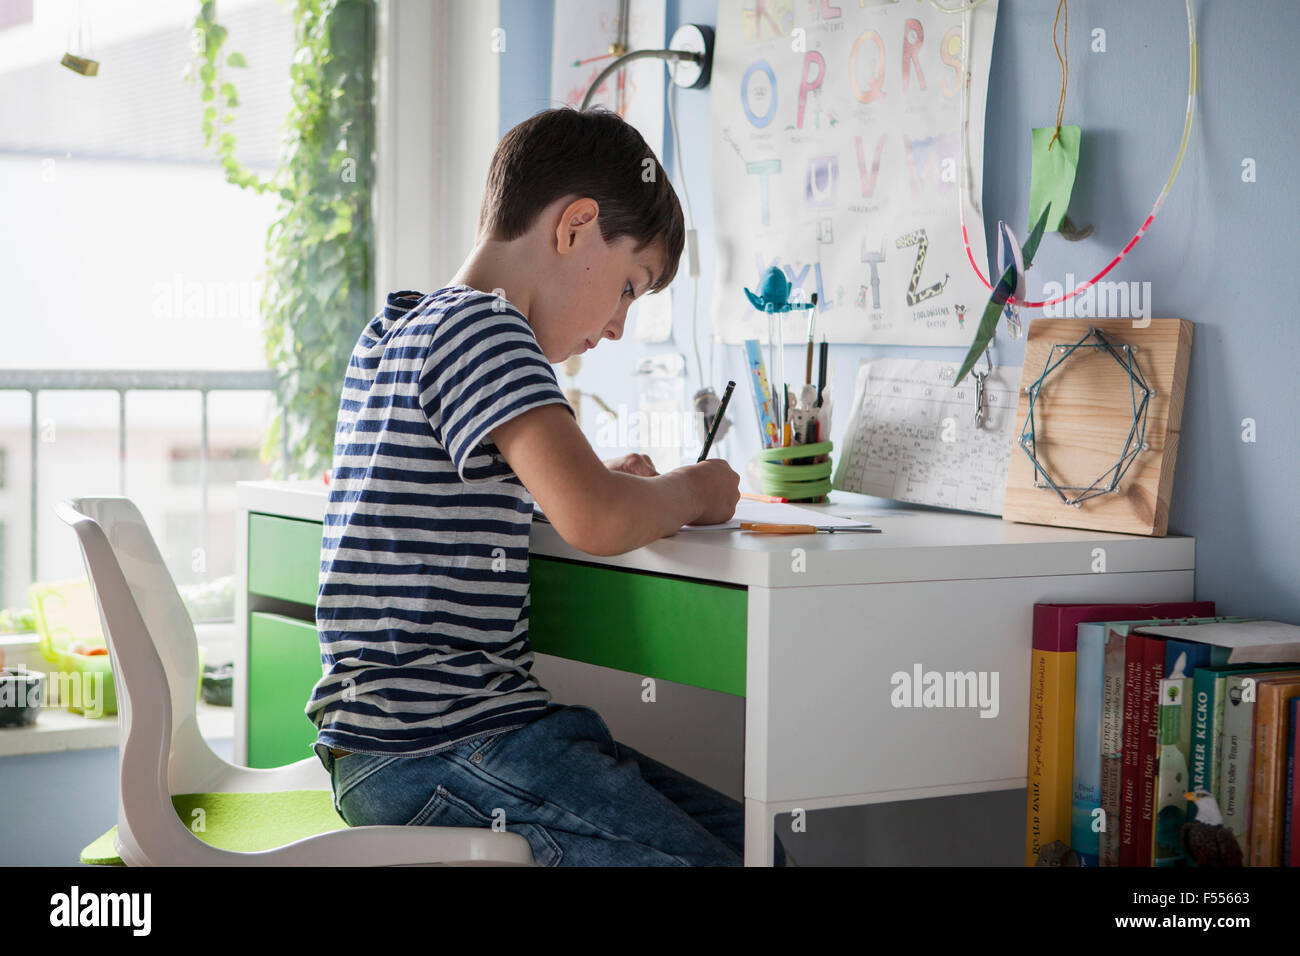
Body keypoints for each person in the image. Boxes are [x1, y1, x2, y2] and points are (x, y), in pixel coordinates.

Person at [305, 106, 784, 866]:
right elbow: (593, 520)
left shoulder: (399, 327)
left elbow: (452, 490)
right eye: (631, 285)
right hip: (443, 743)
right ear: (575, 227)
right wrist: (693, 490)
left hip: (392, 749)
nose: (620, 325)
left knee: (755, 848)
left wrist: (589, 475)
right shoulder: (492, 328)